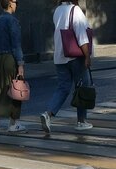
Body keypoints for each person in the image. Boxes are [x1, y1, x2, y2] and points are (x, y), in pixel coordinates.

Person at [41, 0, 93, 134]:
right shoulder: (75, 10)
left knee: (63, 88)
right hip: (75, 56)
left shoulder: (57, 10)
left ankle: (48, 114)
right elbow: (81, 35)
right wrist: (87, 56)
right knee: (82, 87)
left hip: (60, 56)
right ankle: (81, 121)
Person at [0, 0, 27, 133]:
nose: (17, 4)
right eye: (15, 2)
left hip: (0, 58)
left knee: (1, 87)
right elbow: (16, 44)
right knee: (17, 88)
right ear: (10, 4)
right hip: (11, 58)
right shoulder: (12, 21)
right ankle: (14, 123)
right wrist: (20, 63)